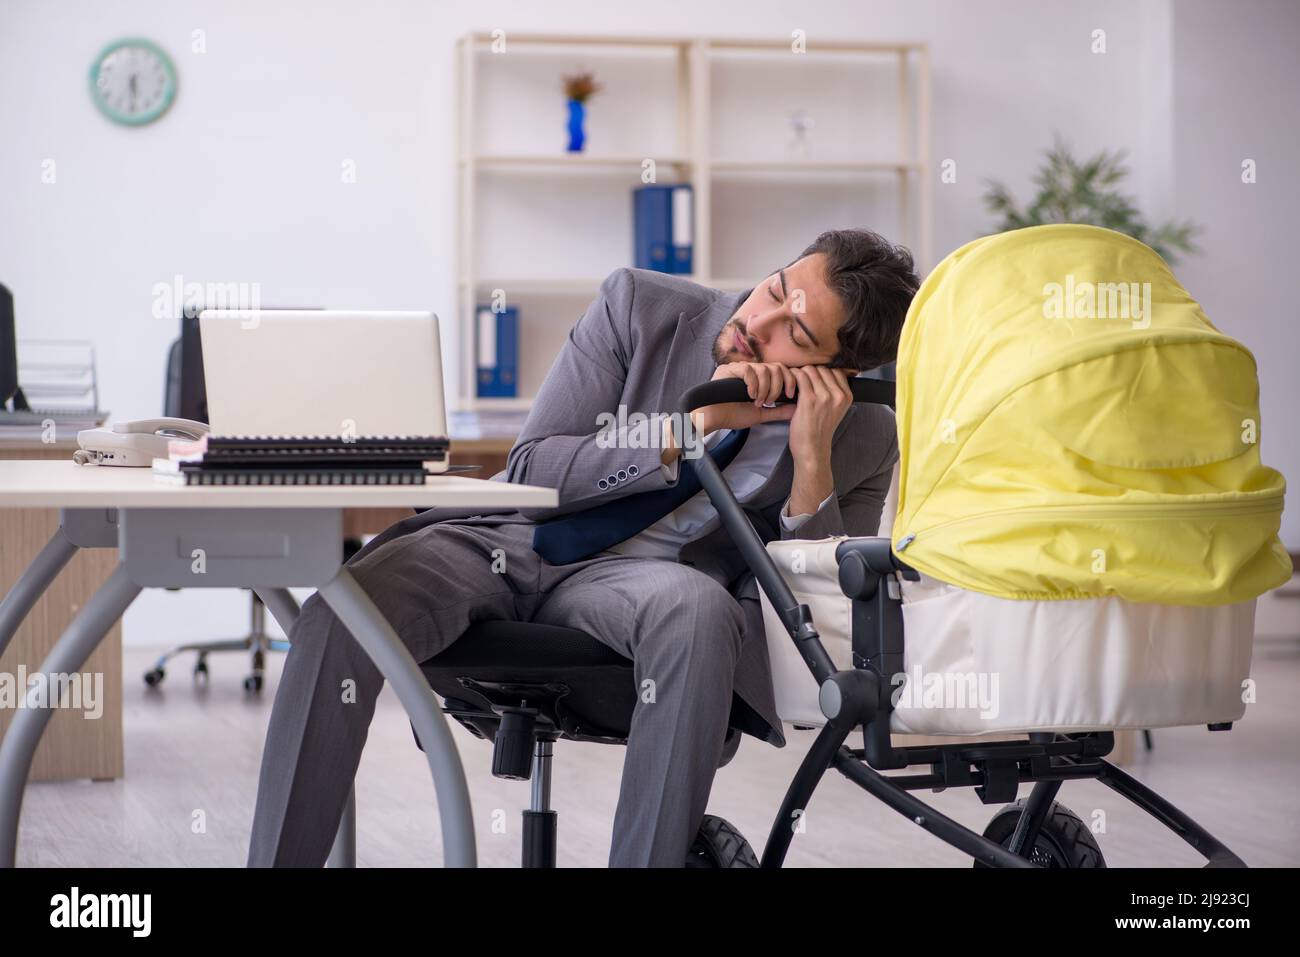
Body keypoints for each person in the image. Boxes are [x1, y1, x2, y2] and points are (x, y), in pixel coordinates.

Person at [248, 227, 919, 867]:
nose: (757, 322)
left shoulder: (862, 435)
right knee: (342, 607)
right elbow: (536, 468)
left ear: (839, 370)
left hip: (641, 587)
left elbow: (819, 620)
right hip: (504, 541)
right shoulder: (638, 307)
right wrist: (689, 427)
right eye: (775, 290)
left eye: (793, 334)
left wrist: (810, 467)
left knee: (699, 608)